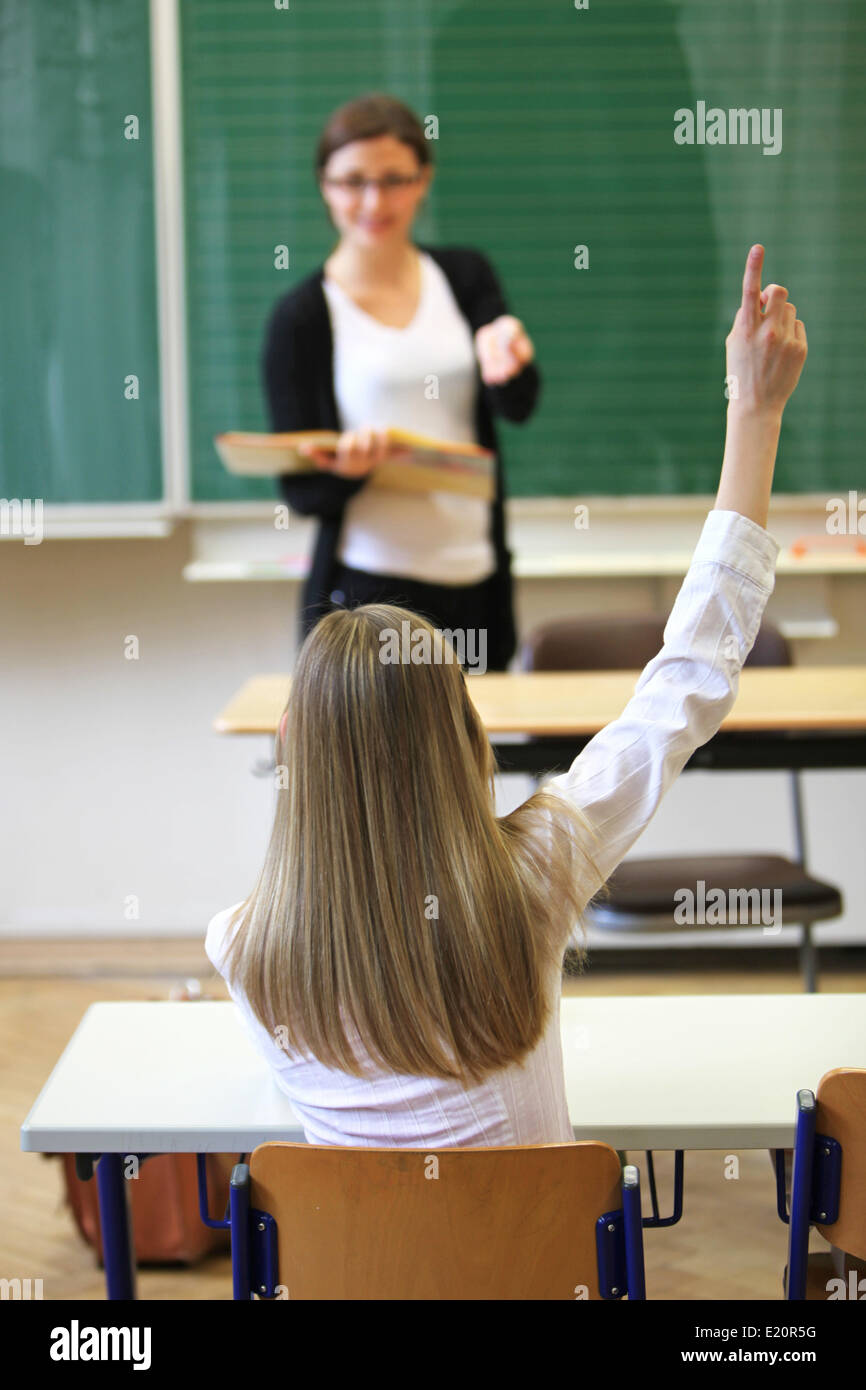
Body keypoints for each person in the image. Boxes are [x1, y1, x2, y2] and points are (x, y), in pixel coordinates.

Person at [209, 245, 807, 1148]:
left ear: (294, 747)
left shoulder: (241, 948)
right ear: (464, 732)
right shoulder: (535, 876)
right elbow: (692, 672)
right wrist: (754, 412)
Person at [261, 94, 539, 671]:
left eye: (394, 180)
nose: (373, 201)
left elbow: (519, 405)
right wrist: (348, 472)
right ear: (324, 185)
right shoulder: (301, 318)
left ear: (423, 181)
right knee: (375, 761)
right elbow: (301, 493)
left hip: (474, 576)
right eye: (352, 181)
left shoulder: (465, 277)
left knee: (469, 758)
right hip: (365, 593)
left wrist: (510, 360)